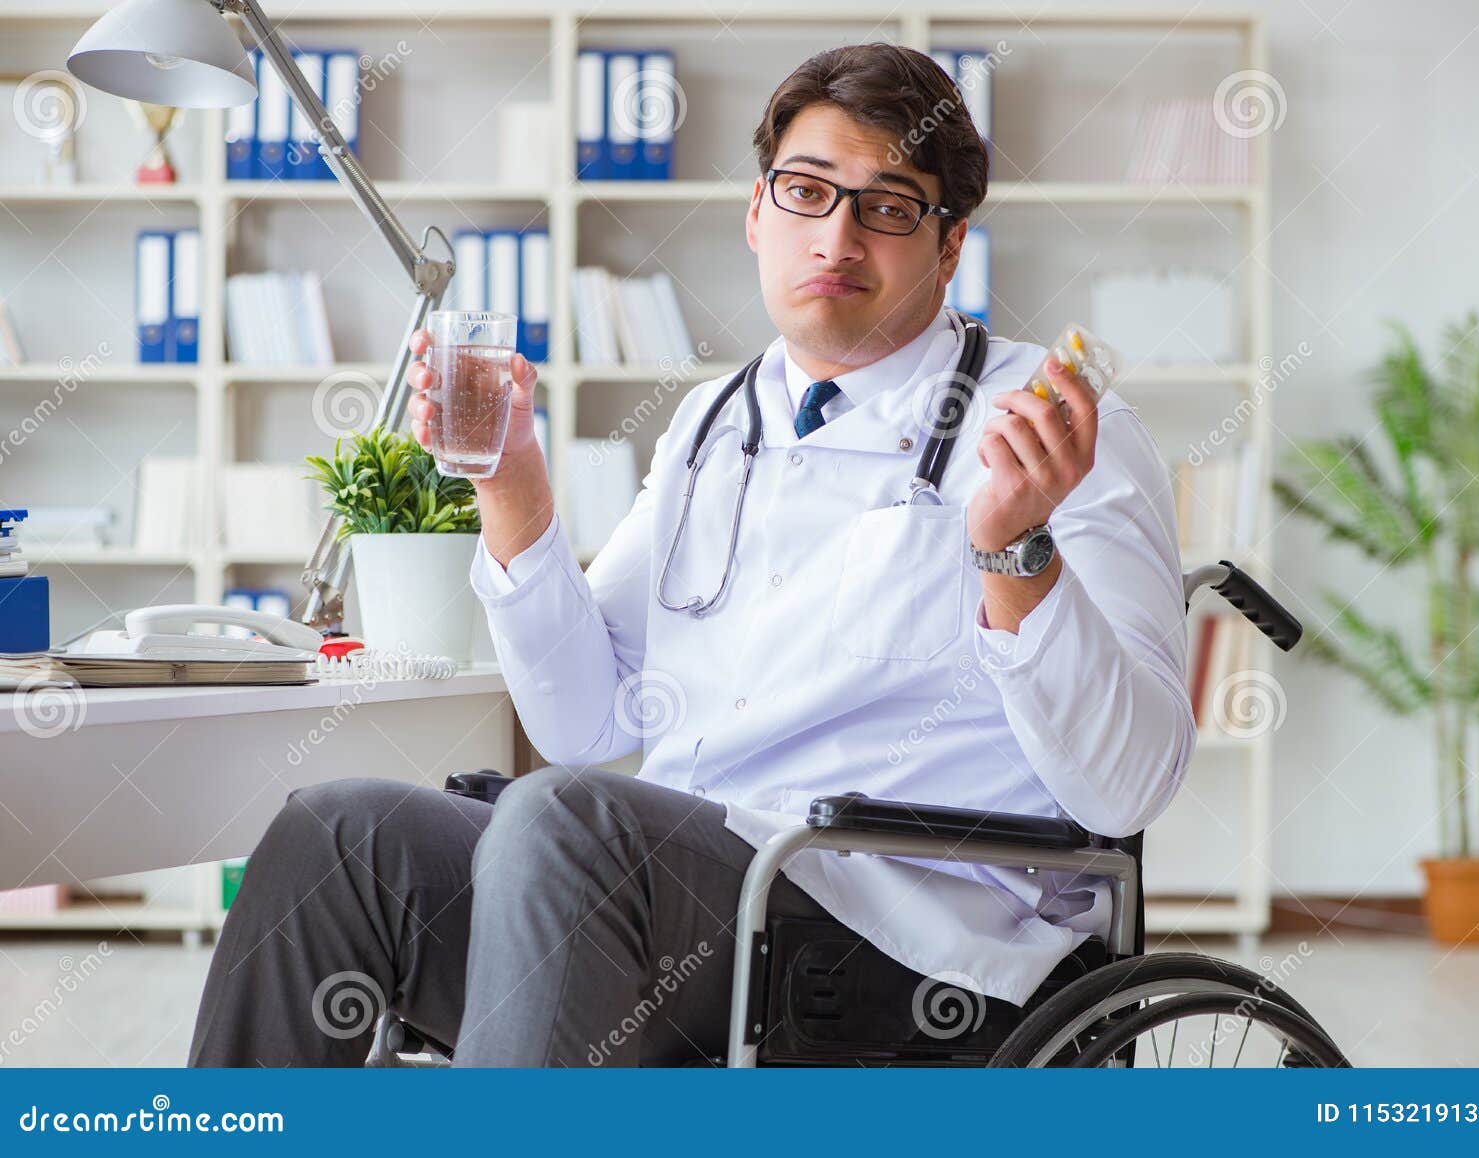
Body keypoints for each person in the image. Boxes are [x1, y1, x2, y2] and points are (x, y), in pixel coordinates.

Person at [189, 42, 1193, 1067]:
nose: (836, 235)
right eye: (806, 192)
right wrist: (513, 490)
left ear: (948, 247)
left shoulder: (1055, 427)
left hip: (912, 933)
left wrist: (1014, 550)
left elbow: (1128, 786)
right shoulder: (717, 419)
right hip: (683, 888)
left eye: (887, 206)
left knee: (566, 824)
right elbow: (582, 723)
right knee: (341, 837)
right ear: (757, 214)